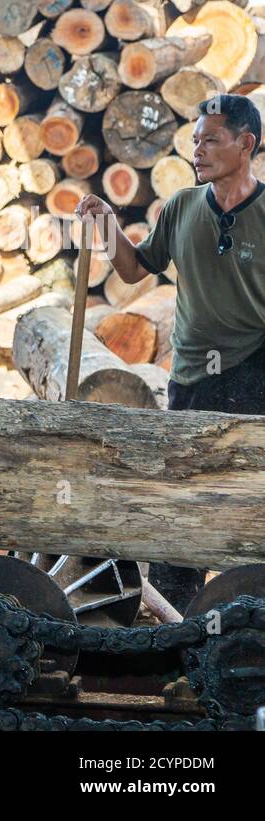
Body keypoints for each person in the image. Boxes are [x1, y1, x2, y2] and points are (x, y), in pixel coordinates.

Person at [77, 93, 265, 610]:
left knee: (249, 497)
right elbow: (136, 270)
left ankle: (248, 620)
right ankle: (176, 631)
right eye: (195, 140)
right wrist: (108, 223)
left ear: (245, 144)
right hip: (193, 374)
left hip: (256, 372)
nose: (197, 150)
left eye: (211, 140)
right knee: (182, 498)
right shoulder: (182, 205)